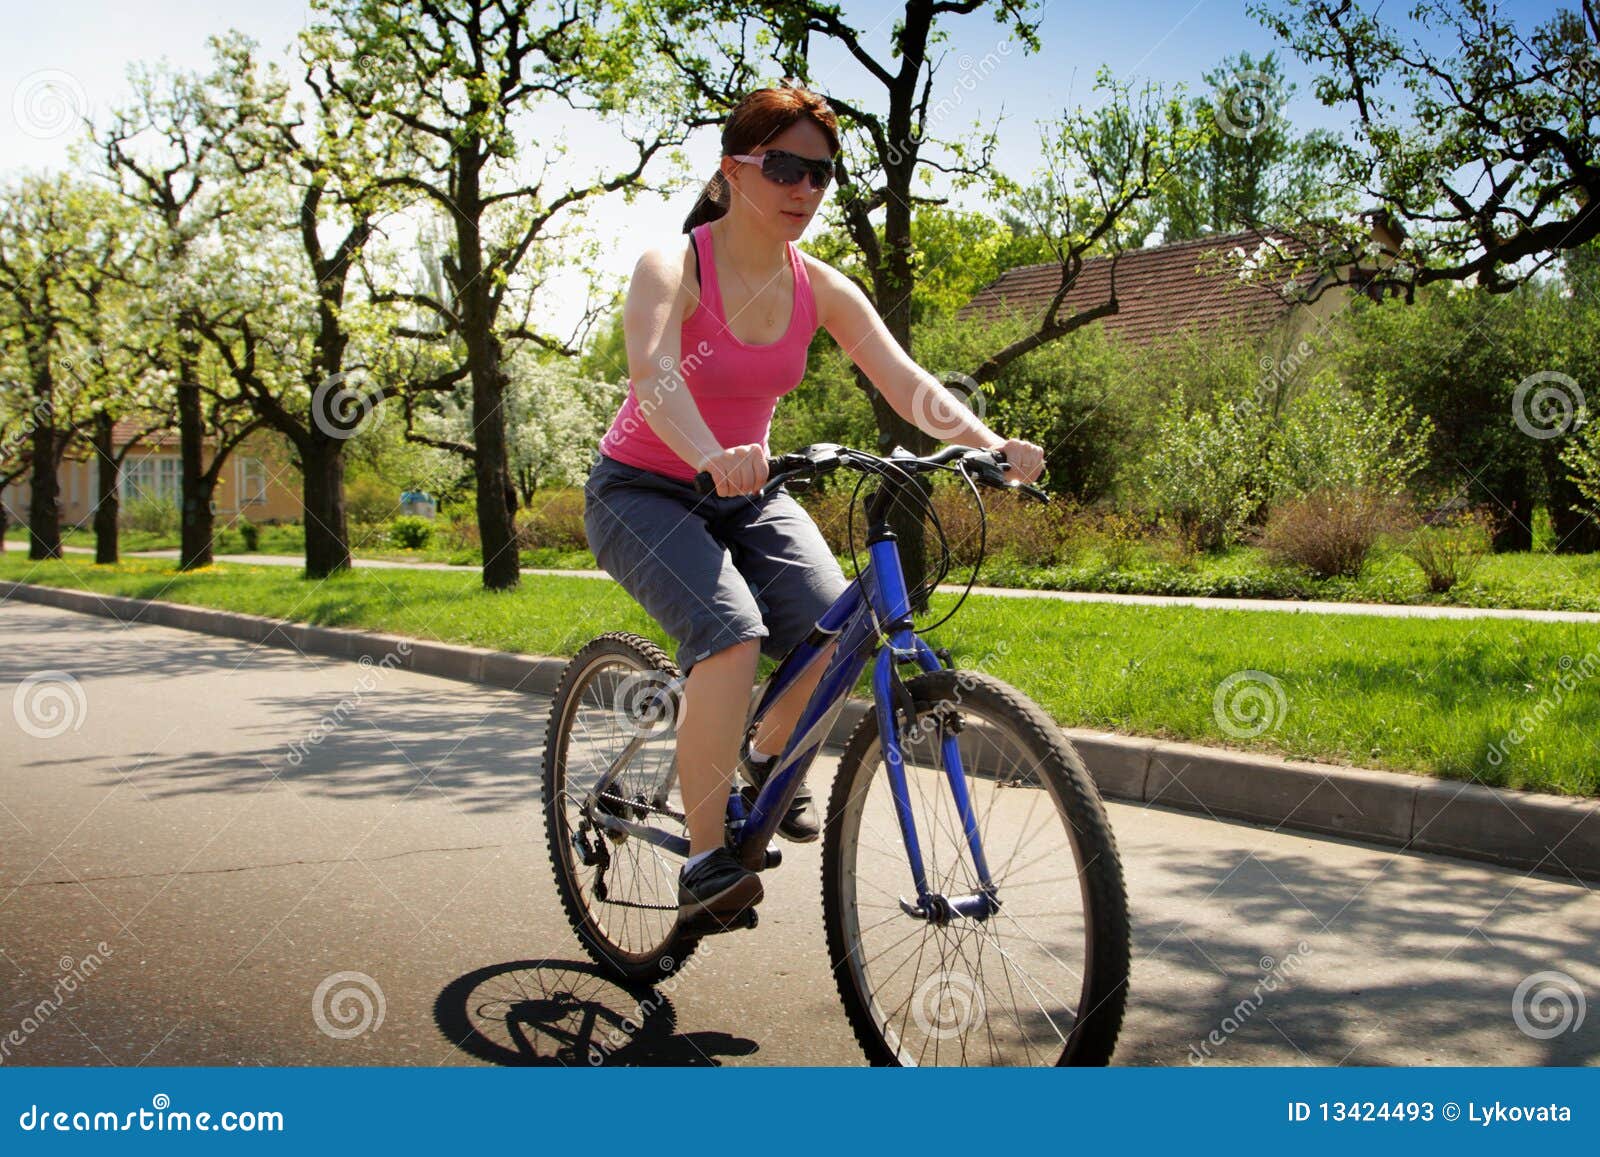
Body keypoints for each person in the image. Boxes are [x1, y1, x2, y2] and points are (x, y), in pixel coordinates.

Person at [582, 80, 1044, 926]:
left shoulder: (819, 286)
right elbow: (651, 378)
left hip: (749, 486)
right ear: (733, 169)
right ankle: (705, 855)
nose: (805, 190)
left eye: (822, 175)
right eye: (786, 167)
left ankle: (760, 760)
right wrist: (710, 455)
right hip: (643, 488)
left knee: (832, 627)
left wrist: (987, 444)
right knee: (730, 631)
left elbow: (907, 382)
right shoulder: (674, 266)